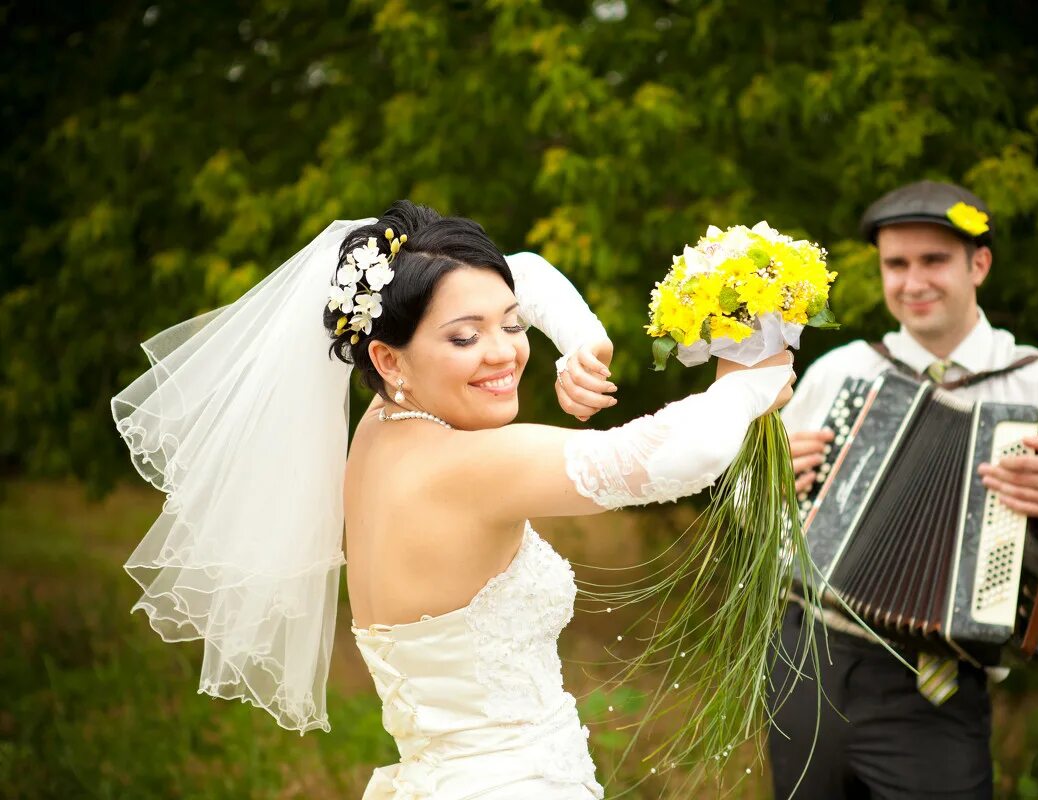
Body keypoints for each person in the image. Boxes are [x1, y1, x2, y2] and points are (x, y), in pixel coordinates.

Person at [113, 200, 796, 799]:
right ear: (388, 358)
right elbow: (682, 457)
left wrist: (580, 342)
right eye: (465, 338)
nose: (502, 352)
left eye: (512, 325)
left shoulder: (383, 428)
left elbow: (519, 270)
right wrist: (753, 379)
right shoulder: (467, 467)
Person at [767, 180, 1038, 799]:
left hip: (934, 689)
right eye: (896, 264)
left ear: (979, 264)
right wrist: (777, 492)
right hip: (807, 662)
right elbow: (762, 536)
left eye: (933, 260)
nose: (913, 282)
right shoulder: (841, 371)